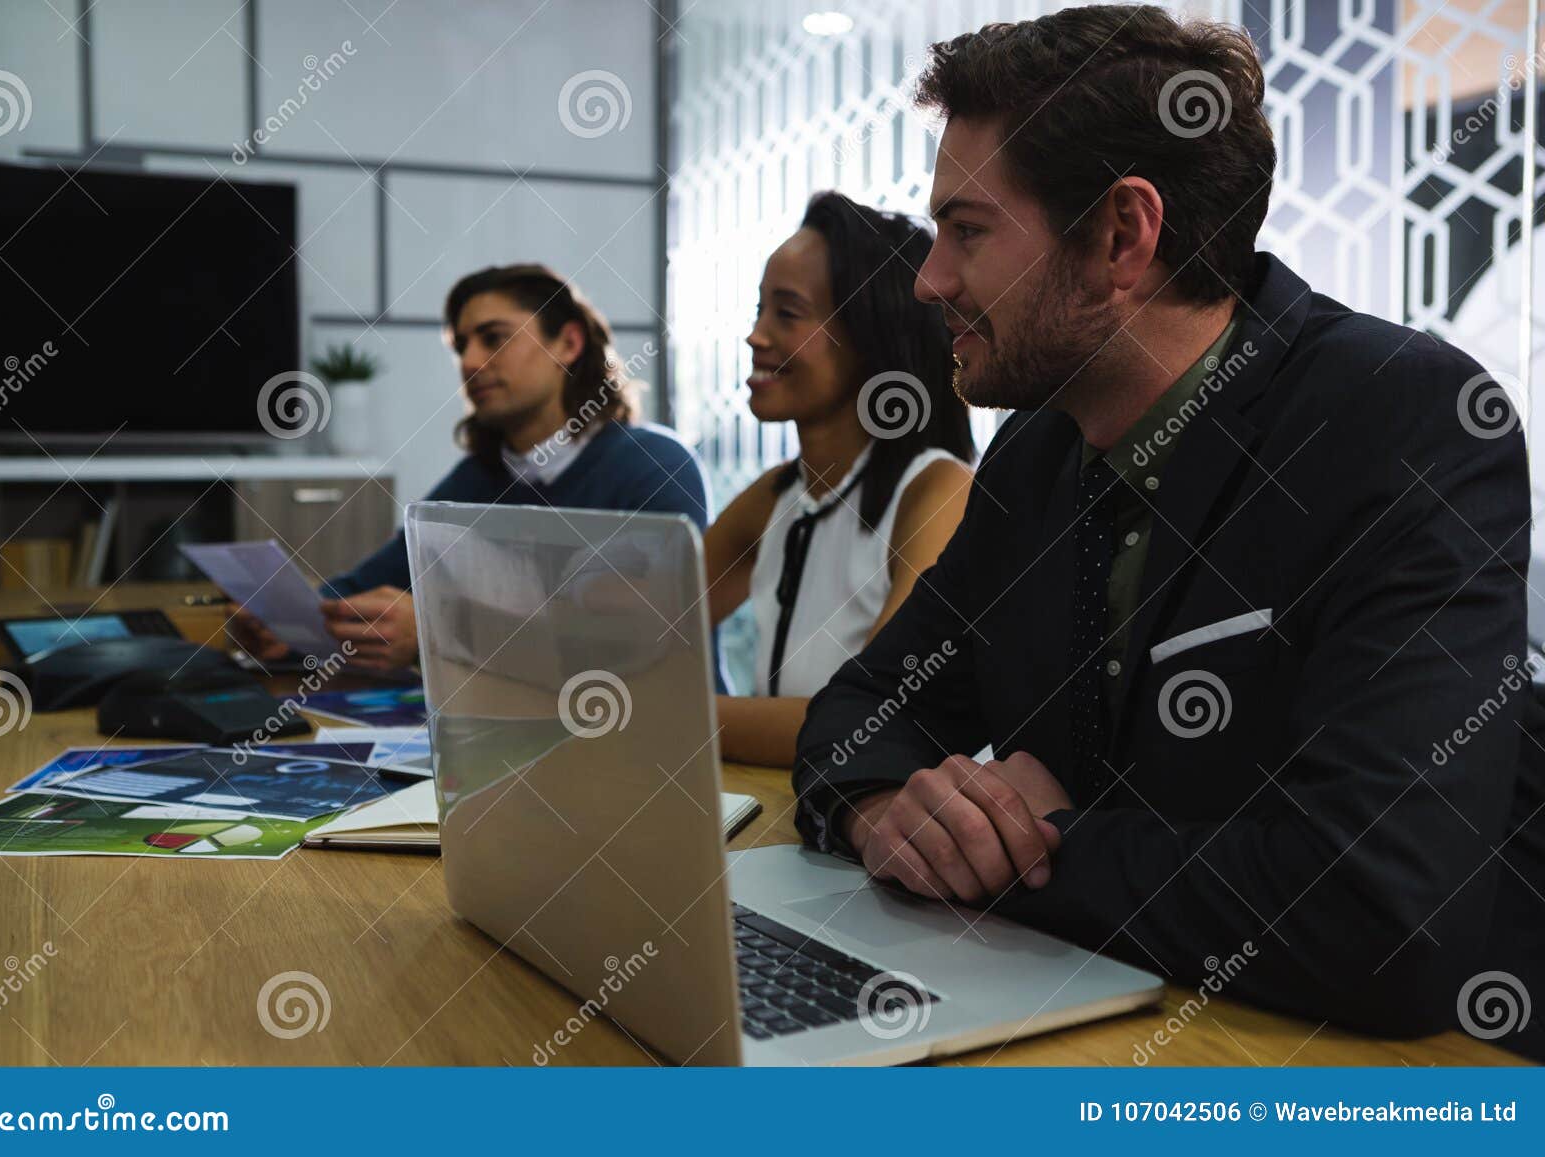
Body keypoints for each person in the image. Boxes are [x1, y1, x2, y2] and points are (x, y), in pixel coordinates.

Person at [792, 6, 1544, 1058]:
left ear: (1119, 236)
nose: (929, 282)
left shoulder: (1401, 419)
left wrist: (1035, 847)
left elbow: (1379, 910)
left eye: (965, 231)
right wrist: (885, 810)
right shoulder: (1038, 452)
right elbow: (863, 707)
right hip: (1098, 1019)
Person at [231, 264, 711, 673]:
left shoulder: (656, 466)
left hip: (658, 737)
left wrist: (437, 632)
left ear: (567, 343)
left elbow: (637, 642)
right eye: (461, 346)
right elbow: (370, 584)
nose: (470, 362)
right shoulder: (476, 481)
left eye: (494, 339)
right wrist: (292, 623)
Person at [704, 192, 975, 767]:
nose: (756, 336)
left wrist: (661, 716)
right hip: (776, 814)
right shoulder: (777, 494)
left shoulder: (936, 492)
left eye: (787, 313)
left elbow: (871, 719)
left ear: (869, 334)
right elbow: (648, 630)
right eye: (759, 310)